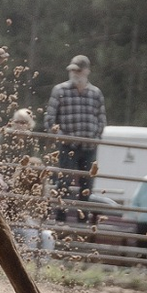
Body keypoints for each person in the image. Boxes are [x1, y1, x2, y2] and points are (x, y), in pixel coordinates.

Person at [44, 54, 106, 222]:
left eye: (78, 70)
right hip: (68, 146)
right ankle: (60, 217)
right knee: (64, 181)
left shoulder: (96, 93)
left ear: (86, 71)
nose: (75, 73)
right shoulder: (60, 90)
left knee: (87, 184)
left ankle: (82, 219)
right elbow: (50, 119)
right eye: (72, 70)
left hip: (89, 146)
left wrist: (96, 137)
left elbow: (101, 119)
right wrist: (61, 137)